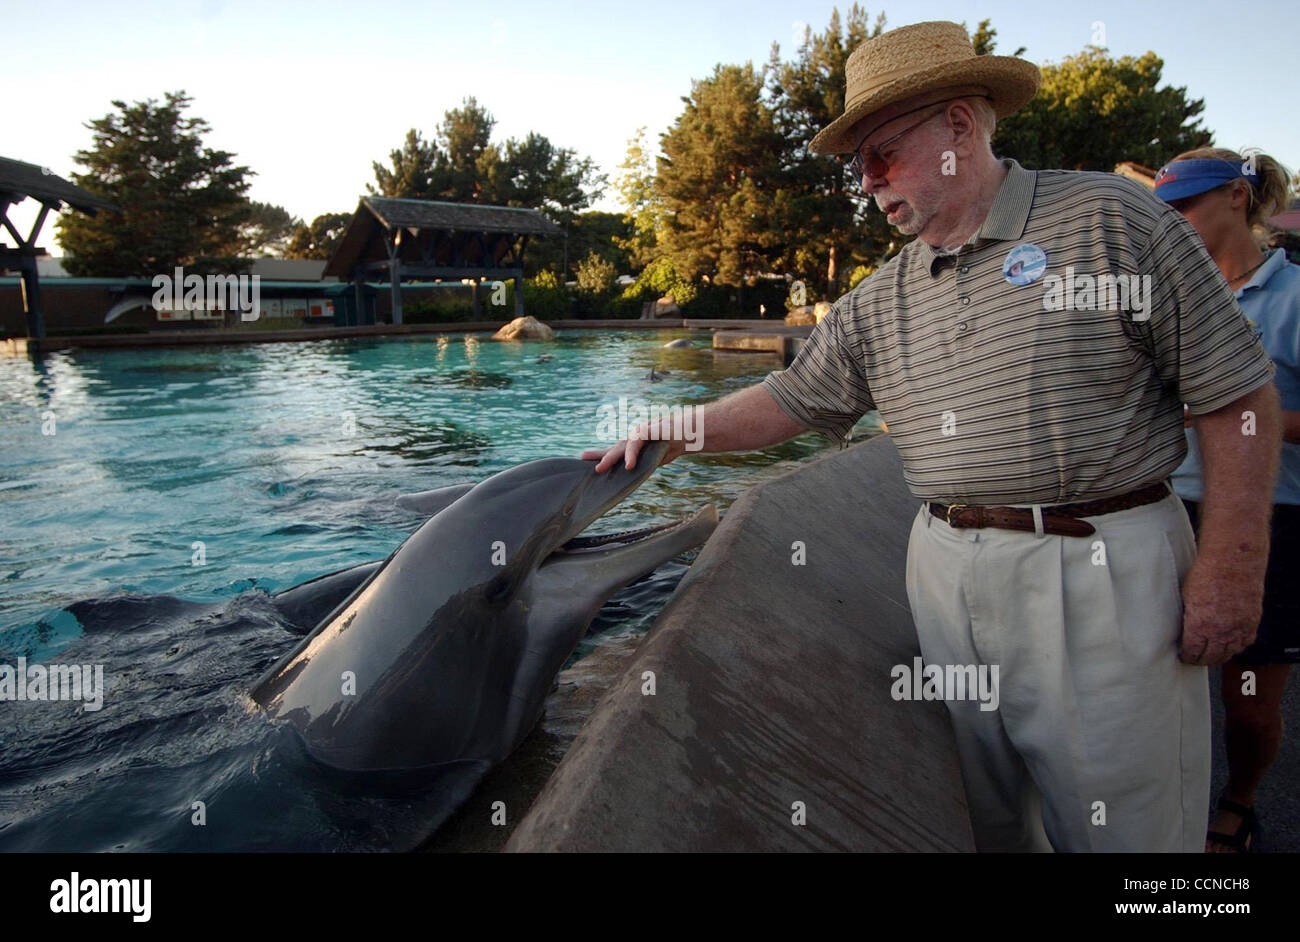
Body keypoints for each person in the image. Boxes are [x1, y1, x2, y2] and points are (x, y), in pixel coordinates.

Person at [582, 20, 1282, 852]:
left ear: (958, 125)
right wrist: (669, 430)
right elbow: (789, 401)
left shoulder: (1109, 220)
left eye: (883, 153)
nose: (869, 182)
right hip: (945, 577)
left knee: (1131, 835)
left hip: (1103, 569)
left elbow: (1238, 396)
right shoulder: (879, 299)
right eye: (858, 164)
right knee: (994, 823)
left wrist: (1233, 566)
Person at [1155, 148, 1300, 852]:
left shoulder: (1295, 295)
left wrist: (1228, 409)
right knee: (1151, 677)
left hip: (1274, 516)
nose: (1171, 222)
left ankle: (1239, 801)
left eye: (1184, 208)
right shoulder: (1168, 298)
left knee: (1247, 703)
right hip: (1163, 508)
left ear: (1238, 197)